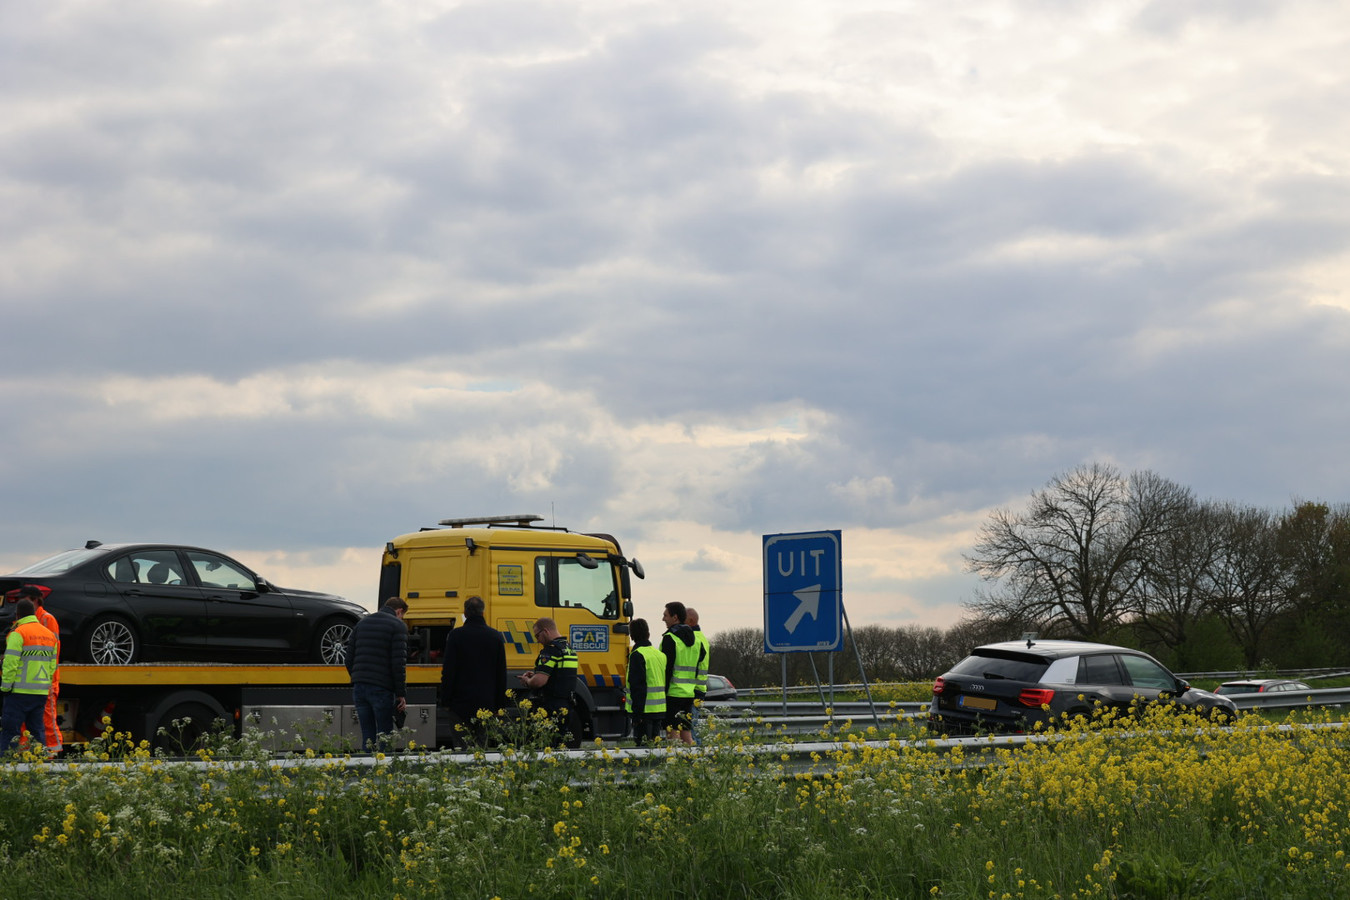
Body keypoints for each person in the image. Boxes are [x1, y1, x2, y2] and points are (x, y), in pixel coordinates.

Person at [439, 595, 507, 749]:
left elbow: (449, 671)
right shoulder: (495, 637)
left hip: (459, 704)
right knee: (482, 747)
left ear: (465, 613)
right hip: (487, 703)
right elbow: (500, 674)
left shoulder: (456, 636)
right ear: (483, 613)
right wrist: (499, 705)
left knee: (462, 748)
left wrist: (446, 701)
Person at [345, 597, 408, 751]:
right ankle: (384, 771)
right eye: (403, 615)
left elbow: (348, 658)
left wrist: (357, 676)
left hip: (359, 687)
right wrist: (400, 694)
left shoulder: (362, 623)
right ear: (399, 611)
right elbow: (398, 663)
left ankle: (367, 770)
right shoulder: (397, 625)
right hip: (381, 688)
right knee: (385, 735)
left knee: (367, 735)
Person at [1, 598, 58, 755]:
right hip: (39, 693)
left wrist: (5, 687)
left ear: (17, 614)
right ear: (34, 613)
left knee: (10, 733)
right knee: (37, 732)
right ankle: (40, 768)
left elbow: (10, 663)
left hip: (18, 693)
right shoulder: (50, 635)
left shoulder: (18, 633)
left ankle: (4, 770)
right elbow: (52, 665)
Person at [516, 617, 578, 746]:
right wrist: (536, 674)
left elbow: (539, 682)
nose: (537, 640)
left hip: (550, 706)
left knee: (544, 745)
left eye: (537, 635)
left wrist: (528, 680)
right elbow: (560, 674)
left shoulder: (550, 650)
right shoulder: (568, 649)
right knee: (559, 743)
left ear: (545, 631)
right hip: (566, 705)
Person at [659, 601, 705, 745]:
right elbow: (701, 657)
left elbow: (666, 670)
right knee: (687, 734)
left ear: (675, 617)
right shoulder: (696, 640)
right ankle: (695, 762)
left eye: (665, 615)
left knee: (673, 735)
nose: (663, 619)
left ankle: (675, 763)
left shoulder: (670, 638)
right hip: (689, 694)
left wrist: (662, 693)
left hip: (673, 693)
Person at [623, 618, 666, 747]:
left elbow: (638, 687)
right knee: (654, 749)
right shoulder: (659, 655)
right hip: (659, 710)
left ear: (632, 636)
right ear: (648, 633)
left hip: (644, 711)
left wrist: (636, 715)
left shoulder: (637, 655)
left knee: (643, 748)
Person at [686, 607, 710, 745]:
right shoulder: (701, 638)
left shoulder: (694, 639)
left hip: (693, 689)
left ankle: (698, 759)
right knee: (693, 727)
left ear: (691, 621)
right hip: (699, 689)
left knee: (692, 730)